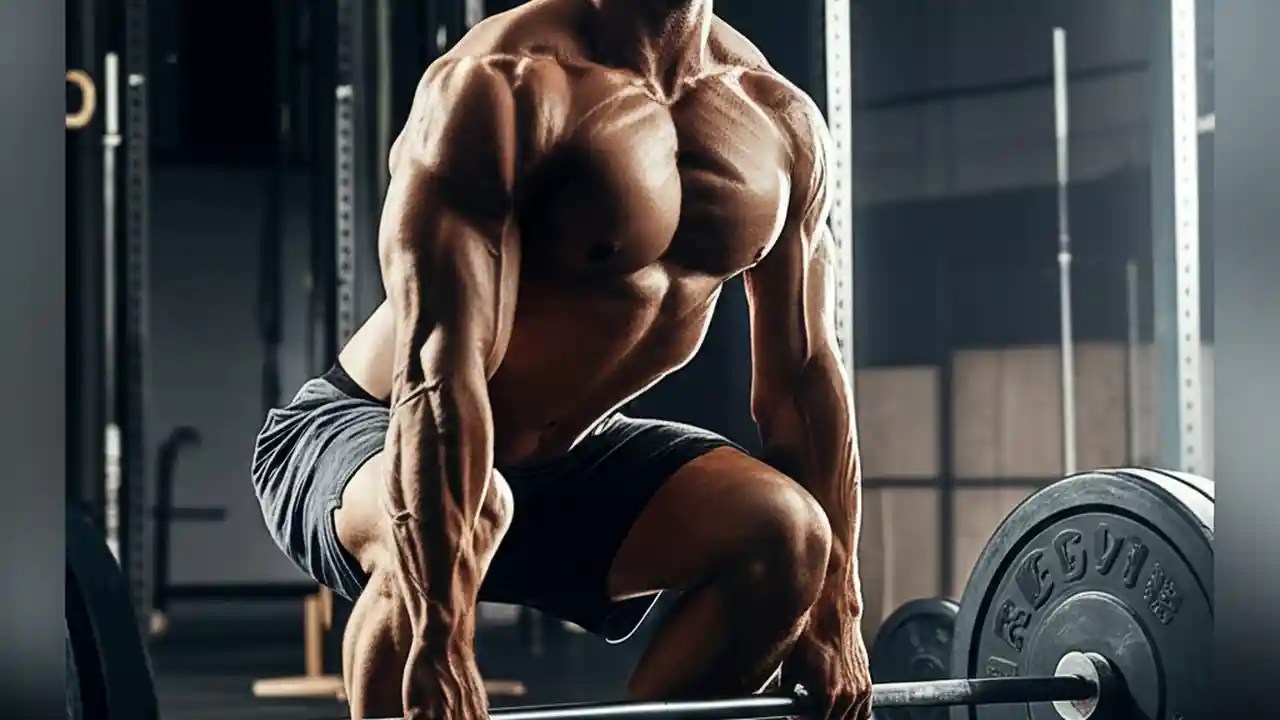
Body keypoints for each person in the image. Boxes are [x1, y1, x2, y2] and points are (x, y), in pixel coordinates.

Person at [251, 1, 870, 718]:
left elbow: (803, 381)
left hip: (569, 457)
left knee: (789, 537)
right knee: (469, 506)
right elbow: (436, 369)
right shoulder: (501, 83)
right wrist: (439, 639)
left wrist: (836, 606)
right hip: (377, 425)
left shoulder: (775, 119)